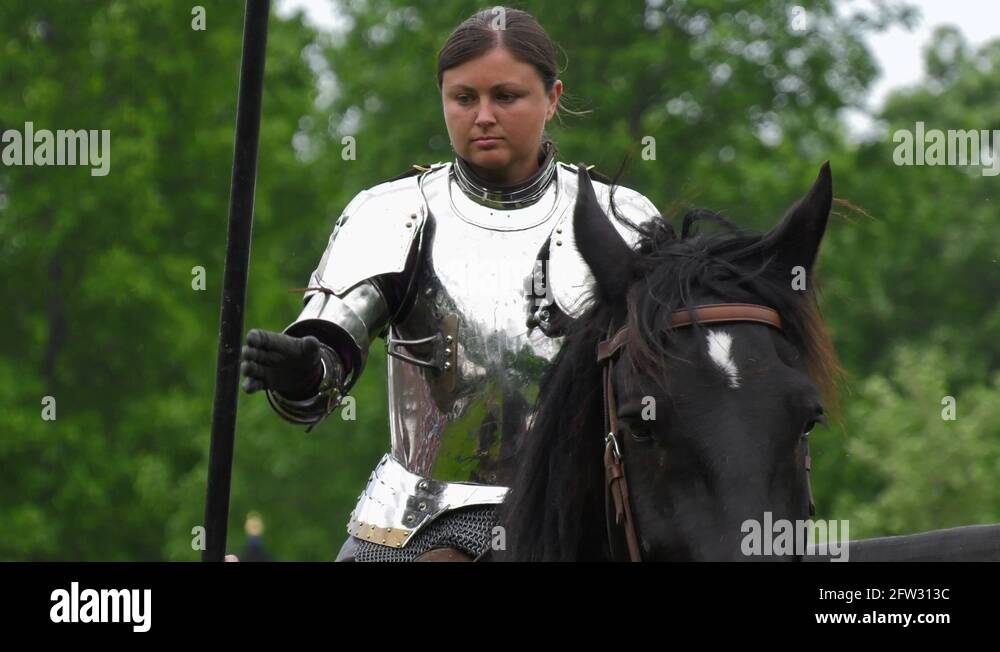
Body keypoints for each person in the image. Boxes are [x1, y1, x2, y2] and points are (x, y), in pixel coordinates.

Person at [239, 7, 662, 562]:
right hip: (415, 522)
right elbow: (330, 353)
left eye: (506, 96)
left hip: (582, 520)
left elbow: (674, 386)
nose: (483, 115)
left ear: (552, 97)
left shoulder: (625, 220)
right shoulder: (391, 214)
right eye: (464, 98)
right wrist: (304, 368)